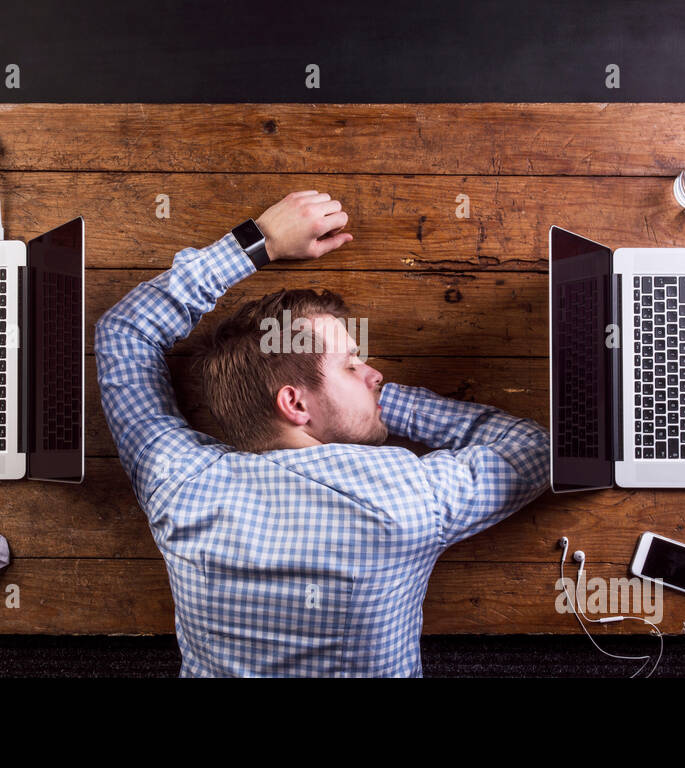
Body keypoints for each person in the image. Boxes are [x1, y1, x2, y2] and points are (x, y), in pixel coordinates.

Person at [95, 190, 550, 676]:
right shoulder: (408, 496)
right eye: (353, 366)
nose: (375, 374)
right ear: (294, 403)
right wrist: (387, 403)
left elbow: (125, 333)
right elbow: (534, 450)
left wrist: (260, 241)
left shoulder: (178, 482)